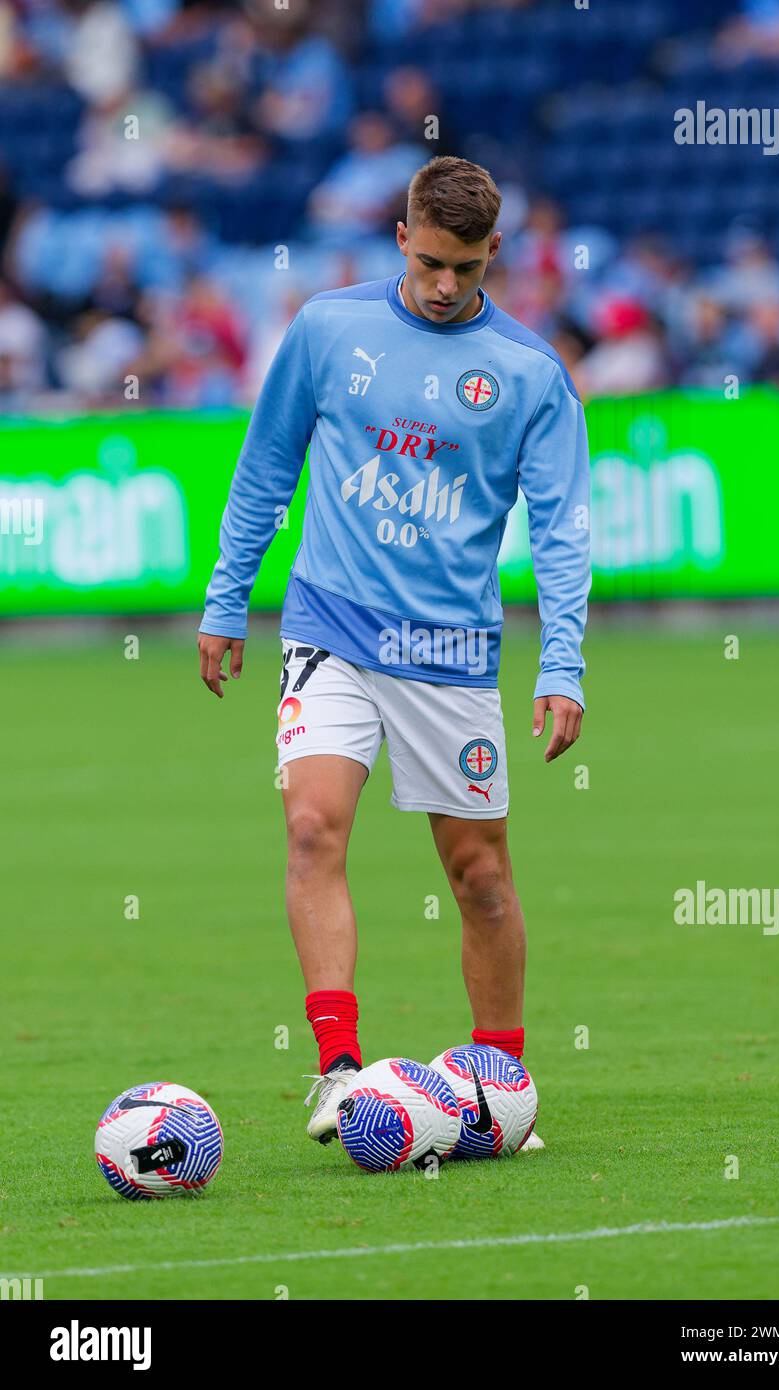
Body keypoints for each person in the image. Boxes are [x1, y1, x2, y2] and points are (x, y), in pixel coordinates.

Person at [197, 156, 591, 1149]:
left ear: (492, 251)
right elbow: (264, 469)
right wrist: (225, 597)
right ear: (400, 239)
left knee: (480, 877)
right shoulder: (328, 330)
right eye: (427, 262)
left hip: (450, 653)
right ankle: (336, 1070)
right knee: (312, 830)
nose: (443, 285)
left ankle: (499, 1081)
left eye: (463, 268)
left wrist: (561, 665)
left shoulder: (530, 378)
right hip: (328, 629)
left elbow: (560, 532)